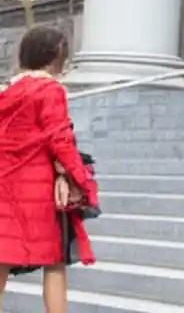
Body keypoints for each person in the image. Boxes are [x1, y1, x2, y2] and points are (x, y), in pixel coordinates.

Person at [1, 26, 99, 313]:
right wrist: (81, 179)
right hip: (38, 190)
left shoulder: (8, 92)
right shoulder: (50, 89)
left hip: (5, 183)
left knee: (2, 257)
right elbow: (60, 139)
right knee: (55, 262)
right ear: (57, 56)